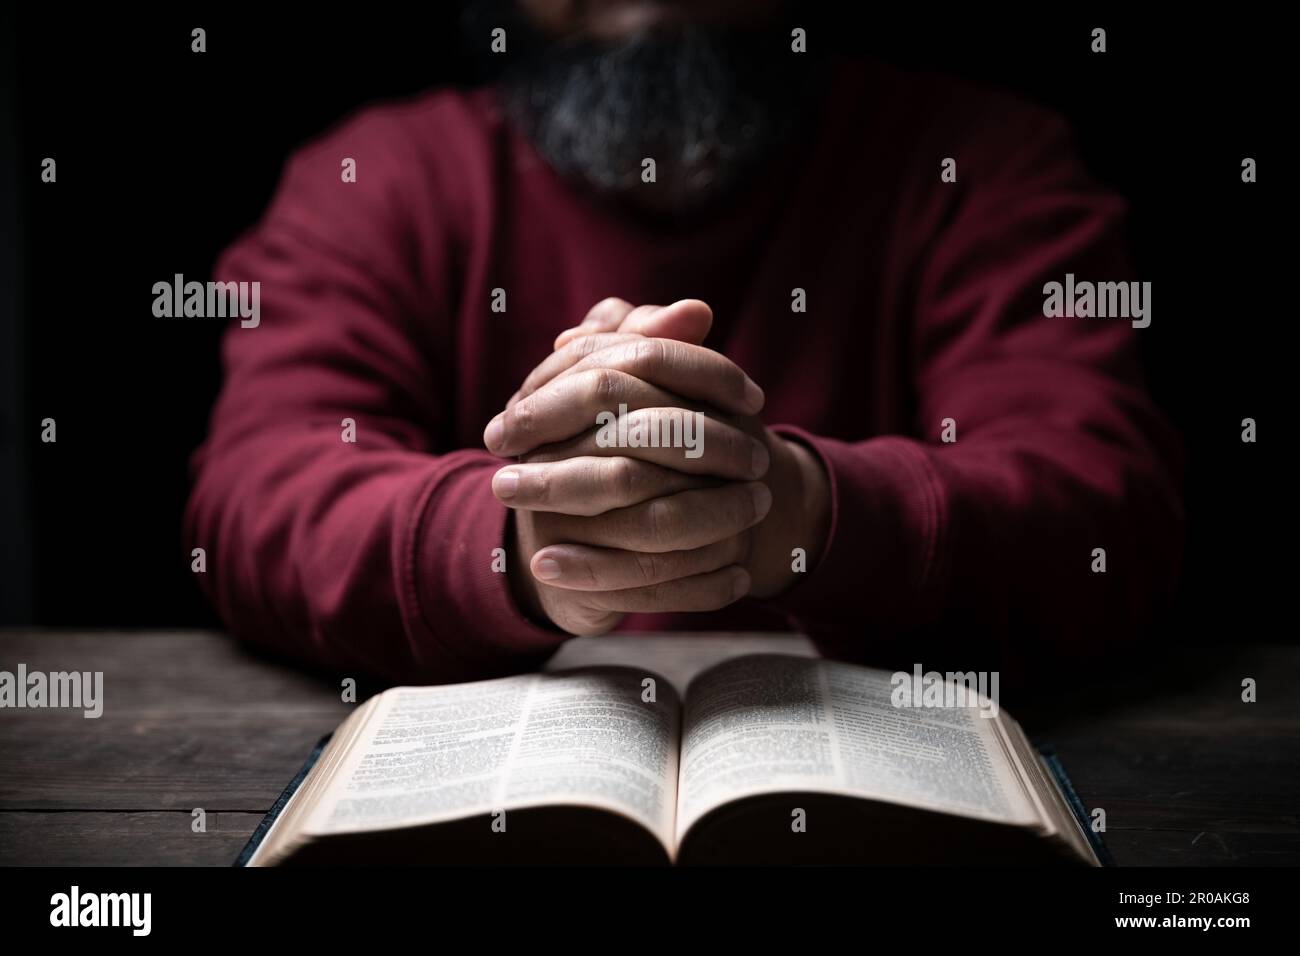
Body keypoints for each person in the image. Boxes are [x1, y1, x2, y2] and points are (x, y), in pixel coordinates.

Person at [185, 0, 1184, 684]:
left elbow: (1103, 503)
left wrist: (792, 506)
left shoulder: (985, 164)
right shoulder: (371, 178)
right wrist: (523, 536)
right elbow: (258, 490)